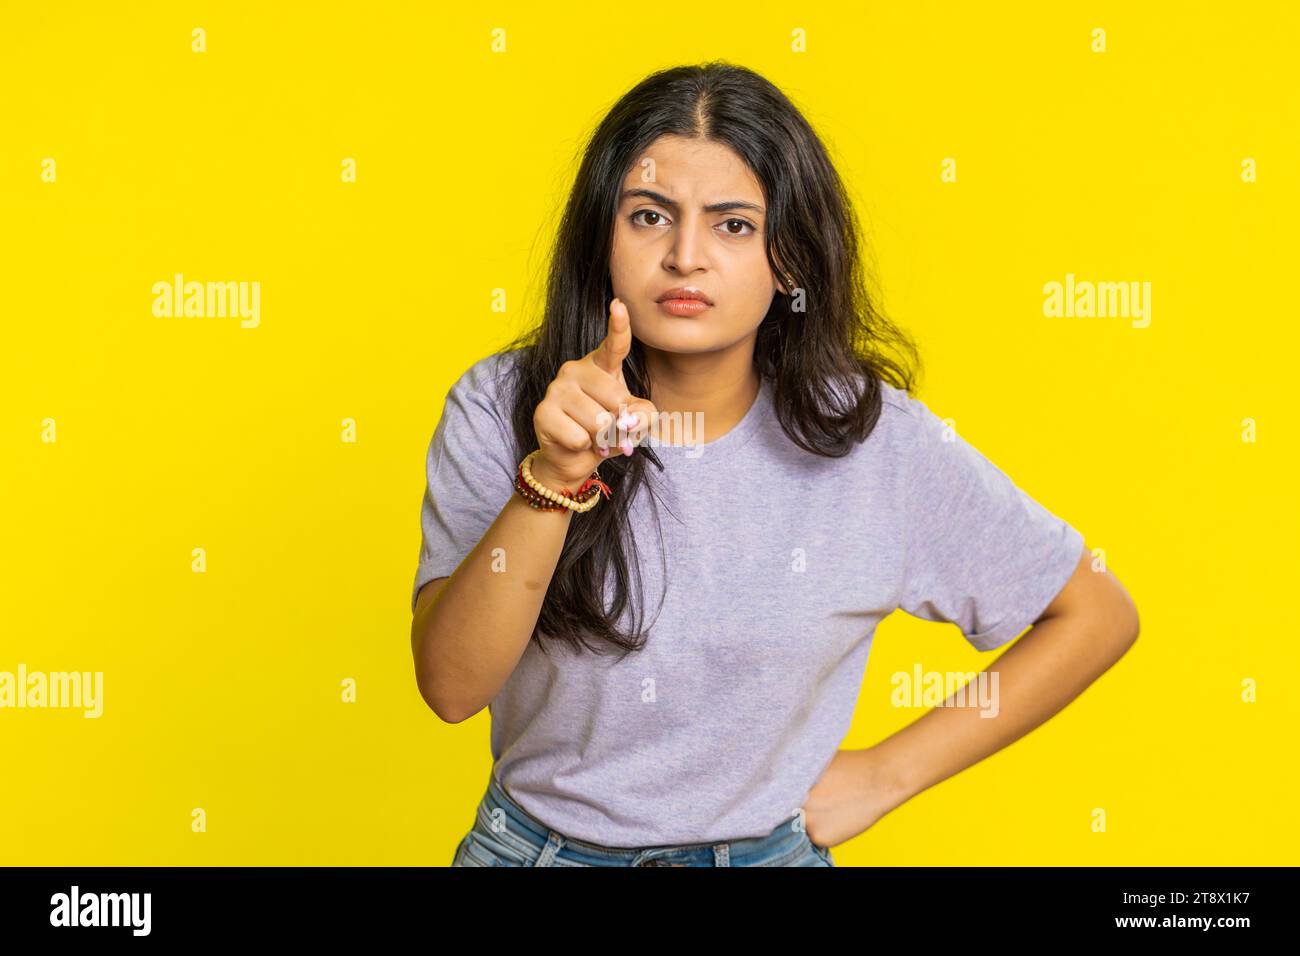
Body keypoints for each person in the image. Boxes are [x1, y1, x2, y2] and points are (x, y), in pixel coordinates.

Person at [409, 62, 1140, 867]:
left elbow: (1095, 614)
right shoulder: (502, 403)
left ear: (788, 257)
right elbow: (450, 687)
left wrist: (884, 775)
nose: (686, 257)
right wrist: (553, 477)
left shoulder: (874, 441)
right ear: (601, 238)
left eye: (733, 225)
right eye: (650, 216)